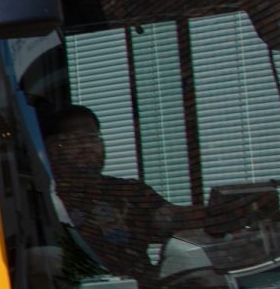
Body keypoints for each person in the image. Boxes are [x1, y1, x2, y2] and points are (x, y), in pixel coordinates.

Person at [41, 104, 209, 280]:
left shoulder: (128, 191)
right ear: (52, 149)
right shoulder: (45, 200)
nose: (87, 147)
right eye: (74, 140)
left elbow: (168, 218)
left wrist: (215, 213)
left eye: (92, 138)